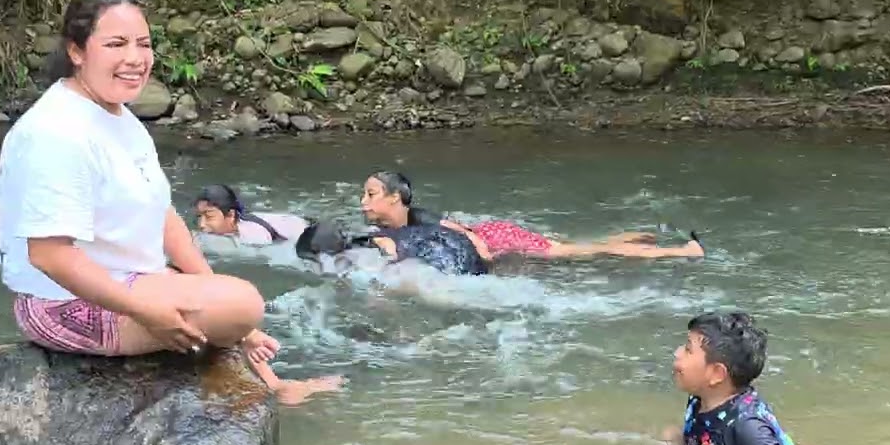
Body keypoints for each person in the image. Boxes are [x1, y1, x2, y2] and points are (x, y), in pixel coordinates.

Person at [0, 0, 339, 405]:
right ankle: (261, 372)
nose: (135, 59)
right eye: (116, 44)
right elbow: (48, 255)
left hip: (130, 282)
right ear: (77, 51)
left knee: (233, 306)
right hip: (60, 305)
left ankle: (273, 384)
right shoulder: (56, 131)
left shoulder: (118, 117)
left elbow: (164, 218)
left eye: (143, 43)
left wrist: (238, 328)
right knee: (242, 302)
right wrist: (146, 311)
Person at [358, 171, 704, 261]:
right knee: (570, 248)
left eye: (371, 194)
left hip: (494, 239)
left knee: (583, 253)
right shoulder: (392, 228)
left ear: (395, 198)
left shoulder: (423, 217)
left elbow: (466, 234)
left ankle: (682, 252)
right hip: (497, 233)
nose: (363, 202)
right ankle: (634, 238)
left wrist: (486, 258)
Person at [659, 311, 813, 445]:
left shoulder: (748, 427)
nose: (677, 352)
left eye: (688, 349)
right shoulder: (702, 396)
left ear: (716, 373)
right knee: (671, 437)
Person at [295, 219, 489, 276]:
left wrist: (390, 263)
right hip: (454, 244)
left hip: (440, 250)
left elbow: (388, 248)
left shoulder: (363, 248)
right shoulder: (363, 235)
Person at [193, 184, 309, 245]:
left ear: (231, 215)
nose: (202, 224)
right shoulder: (235, 225)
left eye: (209, 216)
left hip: (305, 234)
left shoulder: (254, 236)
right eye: (199, 216)